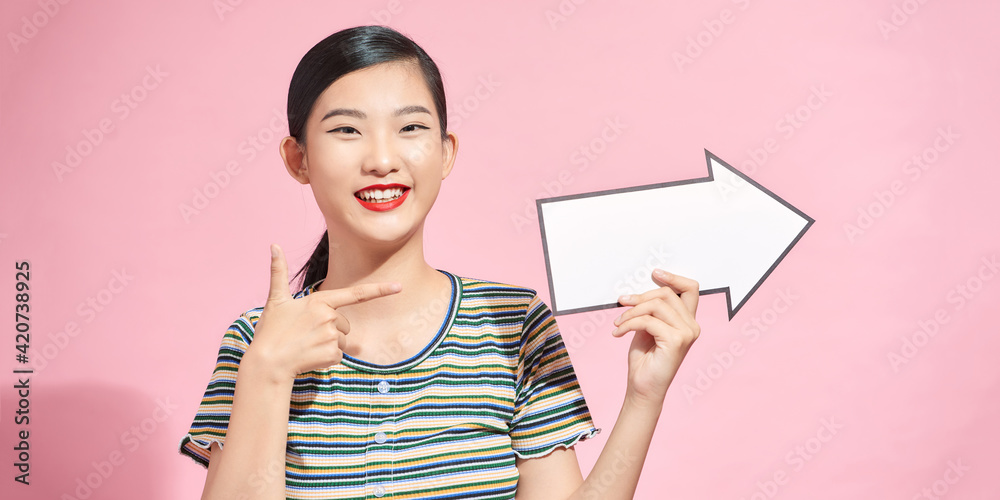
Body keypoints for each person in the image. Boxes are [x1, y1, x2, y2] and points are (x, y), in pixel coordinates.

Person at [178, 25, 701, 500]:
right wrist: (268, 374)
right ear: (299, 160)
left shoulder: (513, 323)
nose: (382, 158)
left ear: (446, 152)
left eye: (410, 128)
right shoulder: (256, 341)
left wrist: (643, 397)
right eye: (346, 130)